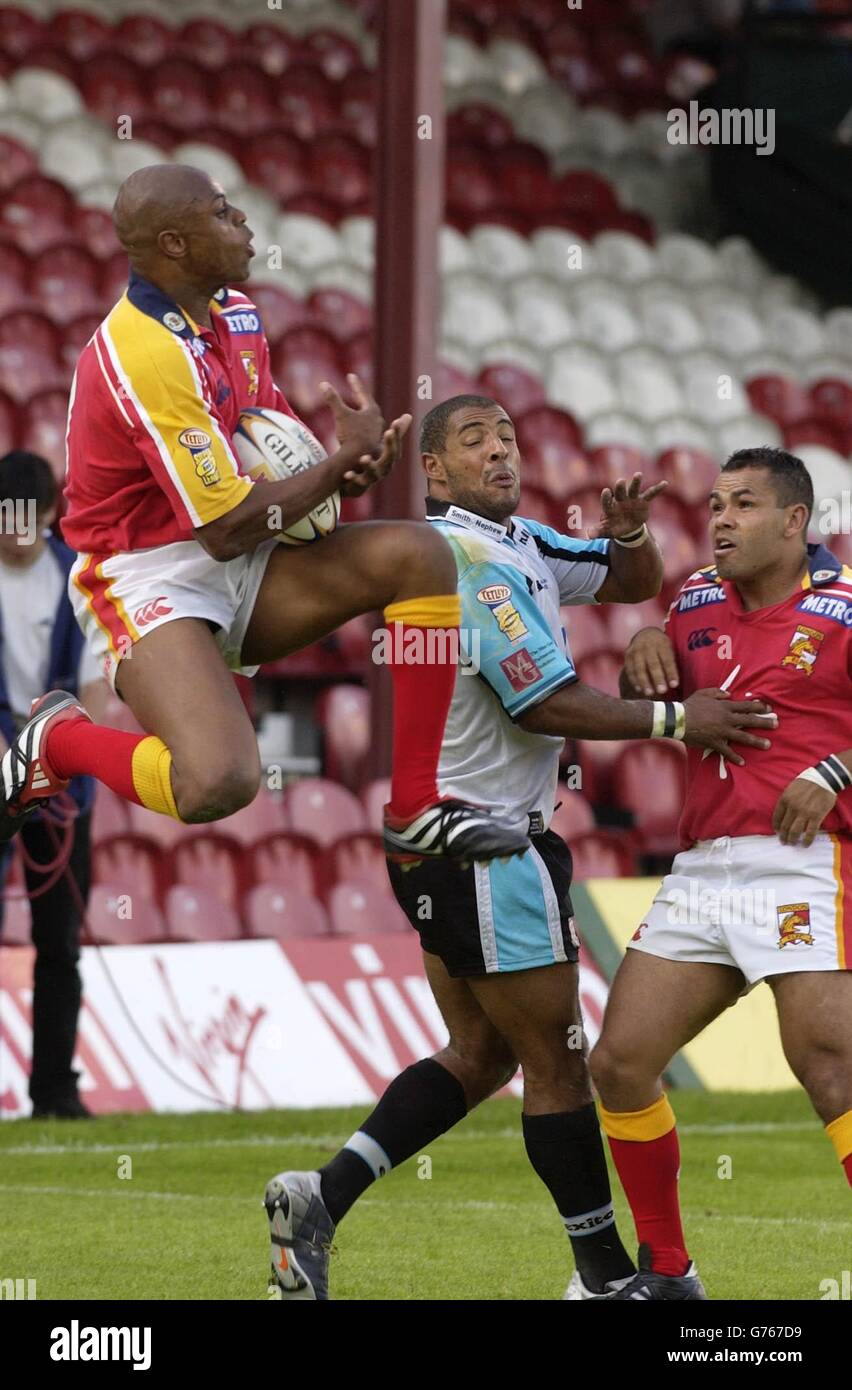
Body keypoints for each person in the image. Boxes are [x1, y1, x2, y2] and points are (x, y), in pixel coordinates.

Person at [263, 395, 776, 1301]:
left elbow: (628, 581)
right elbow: (538, 701)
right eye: (473, 440)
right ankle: (607, 1275)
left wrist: (627, 536)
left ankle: (320, 1199)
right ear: (433, 470)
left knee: (479, 1055)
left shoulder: (526, 544)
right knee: (560, 1063)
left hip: (446, 843)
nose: (501, 451)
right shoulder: (466, 559)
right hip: (487, 843)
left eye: (506, 438)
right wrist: (674, 719)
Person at [0, 165, 526, 867]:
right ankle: (59, 741)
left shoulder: (237, 315)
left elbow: (262, 431)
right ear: (175, 245)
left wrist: (343, 465)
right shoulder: (143, 355)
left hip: (241, 546)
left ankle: (417, 808)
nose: (243, 223)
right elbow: (222, 531)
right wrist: (335, 470)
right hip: (144, 574)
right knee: (219, 781)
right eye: (221, 214)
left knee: (422, 556)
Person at [589, 446, 852, 1301]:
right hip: (705, 867)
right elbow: (665, 651)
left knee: (831, 1069)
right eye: (715, 504)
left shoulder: (846, 610)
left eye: (743, 504)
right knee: (621, 1062)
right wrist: (642, 643)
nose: (722, 520)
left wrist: (835, 774)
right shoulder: (696, 596)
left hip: (806, 865)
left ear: (795, 521)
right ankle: (669, 1276)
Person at [0, 451, 109, 1117]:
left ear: (49, 516)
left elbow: (97, 682)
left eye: (27, 519)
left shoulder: (80, 580)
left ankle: (55, 1091)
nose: (14, 532)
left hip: (61, 776)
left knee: (60, 942)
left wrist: (66, 748)